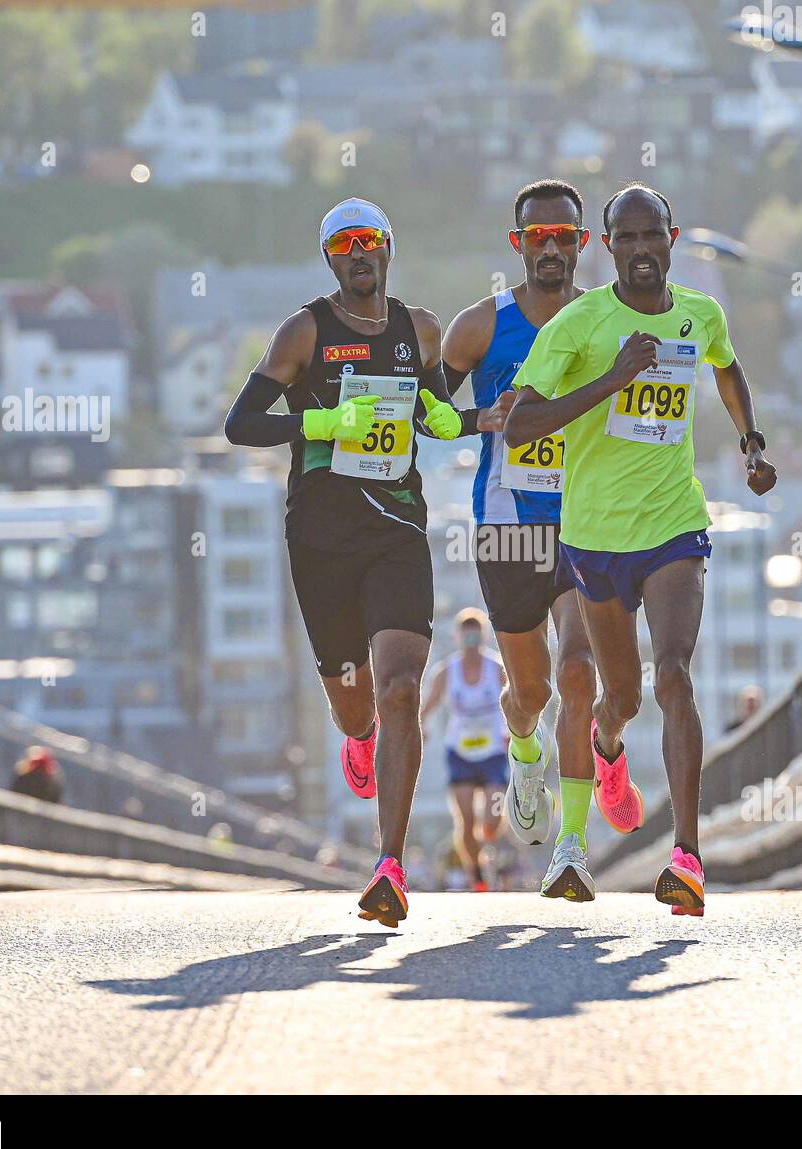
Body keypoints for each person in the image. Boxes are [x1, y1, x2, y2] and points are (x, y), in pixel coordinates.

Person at [504, 183, 778, 917]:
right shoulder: (580, 324)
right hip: (594, 538)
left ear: (671, 236)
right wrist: (614, 379)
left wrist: (751, 442)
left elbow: (725, 364)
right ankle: (608, 743)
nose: (639, 252)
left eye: (650, 236)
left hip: (673, 525)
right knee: (617, 696)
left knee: (675, 675)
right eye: (623, 240)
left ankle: (686, 858)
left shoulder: (700, 313)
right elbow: (521, 427)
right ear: (607, 247)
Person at [224, 197, 474, 928]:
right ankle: (358, 741)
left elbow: (434, 400)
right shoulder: (304, 331)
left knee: (401, 688)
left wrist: (444, 414)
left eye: (369, 242)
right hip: (321, 539)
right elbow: (240, 424)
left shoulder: (418, 328)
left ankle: (388, 866)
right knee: (354, 699)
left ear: (388, 248)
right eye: (343, 246)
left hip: (398, 529)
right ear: (330, 259)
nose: (358, 254)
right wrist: (319, 423)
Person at [440, 178, 598, 903]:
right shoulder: (481, 327)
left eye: (565, 236)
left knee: (578, 674)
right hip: (507, 526)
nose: (552, 248)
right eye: (539, 237)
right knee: (530, 690)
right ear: (519, 245)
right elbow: (423, 417)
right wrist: (486, 420)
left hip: (588, 520)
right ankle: (524, 750)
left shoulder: (604, 322)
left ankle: (571, 847)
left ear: (581, 245)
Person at [420, 608, 509, 891]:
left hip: (493, 751)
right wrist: (421, 727)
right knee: (466, 819)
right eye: (465, 633)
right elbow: (428, 705)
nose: (471, 639)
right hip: (460, 753)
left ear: (483, 636)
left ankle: (485, 843)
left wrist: (516, 734)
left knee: (492, 818)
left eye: (476, 633)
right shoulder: (447, 672)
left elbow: (517, 703)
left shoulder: (497, 669)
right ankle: (476, 872)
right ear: (457, 637)